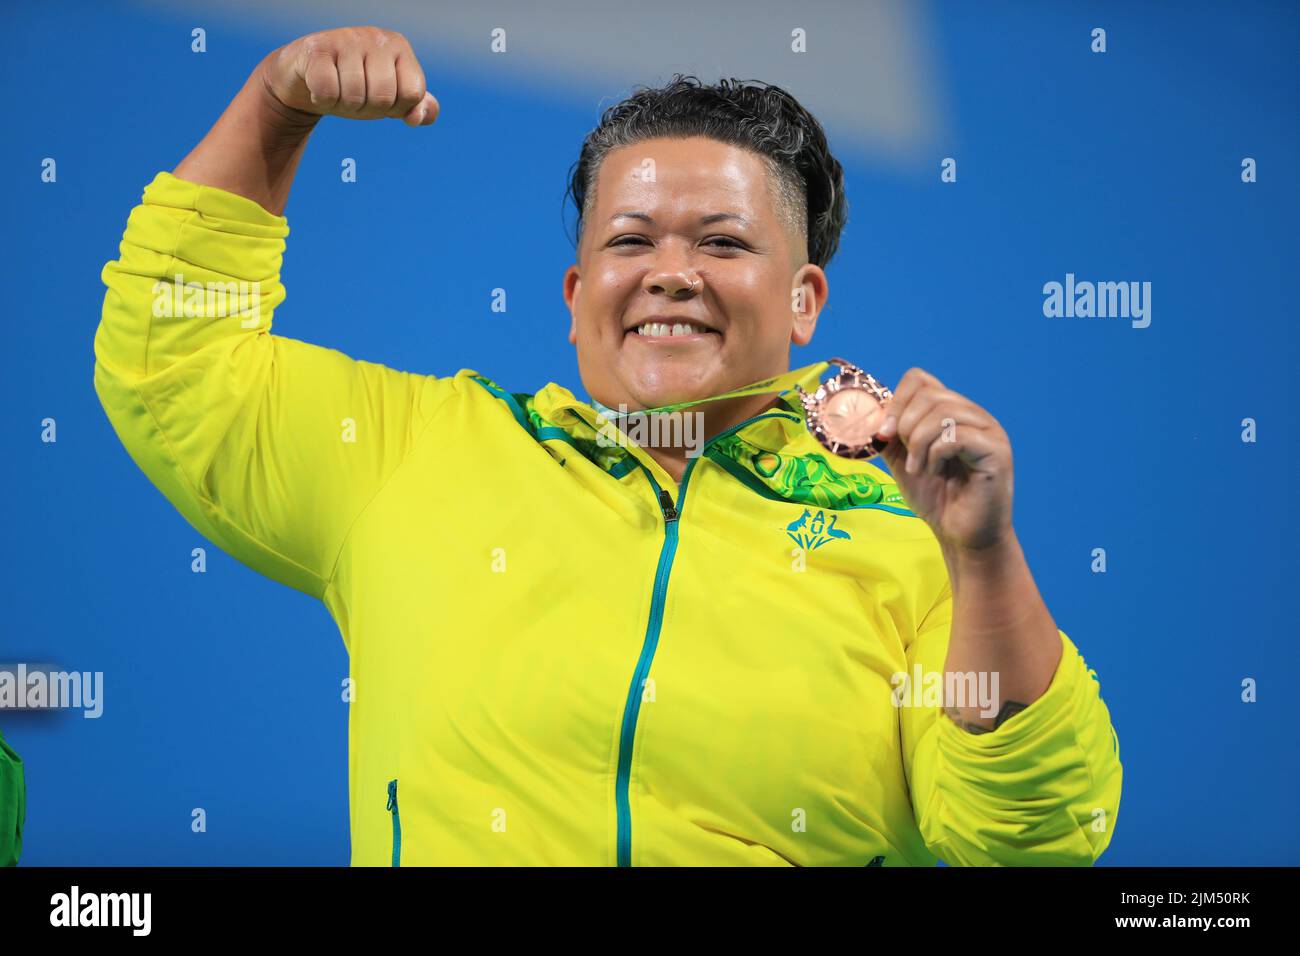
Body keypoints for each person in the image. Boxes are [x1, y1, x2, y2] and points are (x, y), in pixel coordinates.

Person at [94, 26, 1122, 866]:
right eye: (630, 240)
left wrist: (981, 558)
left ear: (803, 299)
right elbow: (174, 364)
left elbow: (1028, 839)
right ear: (579, 298)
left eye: (722, 241)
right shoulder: (415, 454)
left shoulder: (911, 540)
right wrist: (276, 112)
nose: (671, 272)